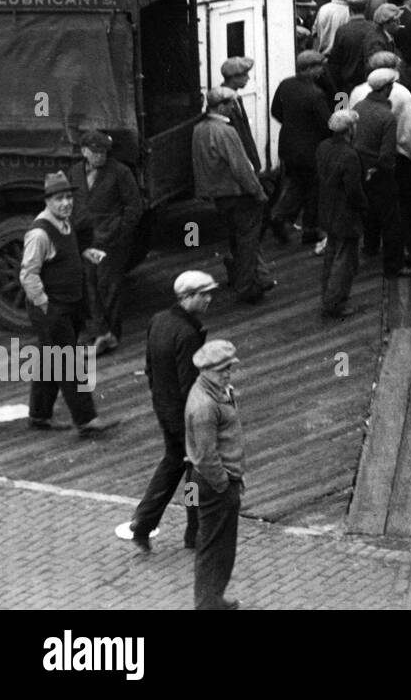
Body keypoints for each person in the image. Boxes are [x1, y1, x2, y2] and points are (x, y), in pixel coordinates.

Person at [124, 271, 215, 551]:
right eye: (204, 294)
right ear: (188, 297)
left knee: (172, 463)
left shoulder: (159, 320)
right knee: (194, 473)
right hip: (184, 414)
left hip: (164, 406)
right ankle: (194, 532)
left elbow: (150, 366)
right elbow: (190, 384)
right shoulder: (188, 334)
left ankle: (144, 521)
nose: (209, 299)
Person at [19, 172, 110, 434]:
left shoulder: (65, 224)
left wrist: (86, 253)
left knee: (50, 359)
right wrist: (44, 304)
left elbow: (62, 254)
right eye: (59, 199)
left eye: (69, 197)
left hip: (69, 304)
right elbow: (28, 273)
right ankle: (87, 420)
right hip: (52, 309)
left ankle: (39, 415)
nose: (66, 203)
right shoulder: (39, 233)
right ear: (48, 201)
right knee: (67, 361)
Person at [191, 88, 270, 304]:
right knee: (248, 241)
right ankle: (246, 287)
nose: (235, 107)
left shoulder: (199, 129)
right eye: (232, 103)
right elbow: (241, 167)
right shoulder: (226, 131)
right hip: (238, 195)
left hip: (219, 196)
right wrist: (258, 191)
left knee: (235, 238)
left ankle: (239, 277)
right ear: (223, 106)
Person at [69, 130, 142, 355]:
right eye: (95, 152)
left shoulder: (120, 172)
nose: (100, 156)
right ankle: (100, 332)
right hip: (86, 240)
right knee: (89, 285)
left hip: (112, 242)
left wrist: (119, 233)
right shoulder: (74, 173)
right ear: (84, 152)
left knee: (108, 286)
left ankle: (111, 333)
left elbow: (134, 207)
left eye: (103, 152)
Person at [184, 339, 245, 610]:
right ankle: (208, 604)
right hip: (215, 484)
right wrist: (224, 484)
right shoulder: (205, 406)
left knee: (219, 545)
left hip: (221, 480)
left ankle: (213, 599)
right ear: (206, 371)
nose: (228, 374)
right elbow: (207, 455)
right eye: (222, 370)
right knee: (214, 547)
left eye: (229, 368)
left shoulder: (214, 391)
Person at [352, 69, 411, 279]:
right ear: (387, 88)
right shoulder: (387, 117)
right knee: (391, 221)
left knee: (369, 213)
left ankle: (370, 247)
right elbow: (387, 154)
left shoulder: (359, 107)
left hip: (361, 169)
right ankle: (393, 266)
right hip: (380, 173)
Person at [269, 50, 333, 246]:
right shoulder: (316, 95)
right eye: (319, 67)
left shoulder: (285, 85)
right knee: (314, 189)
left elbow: (275, 111)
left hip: (288, 146)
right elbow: (326, 124)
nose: (322, 71)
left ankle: (279, 216)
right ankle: (309, 229)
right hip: (311, 150)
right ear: (309, 69)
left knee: (296, 184)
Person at [316, 109, 366, 318]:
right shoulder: (350, 155)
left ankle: (327, 295)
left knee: (331, 254)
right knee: (344, 260)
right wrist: (365, 206)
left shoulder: (323, 147)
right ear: (350, 129)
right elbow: (353, 189)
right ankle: (335, 303)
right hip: (345, 213)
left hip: (327, 208)